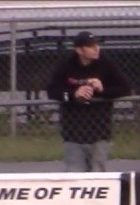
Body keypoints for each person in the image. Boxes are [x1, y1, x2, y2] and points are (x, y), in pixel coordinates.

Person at [44, 31, 132, 172]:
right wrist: (73, 94)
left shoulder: (105, 63)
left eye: (97, 45)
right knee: (75, 173)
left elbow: (125, 89)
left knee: (98, 171)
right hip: (73, 131)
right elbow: (52, 91)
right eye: (91, 46)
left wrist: (102, 90)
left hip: (100, 130)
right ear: (79, 50)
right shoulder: (66, 65)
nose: (96, 49)